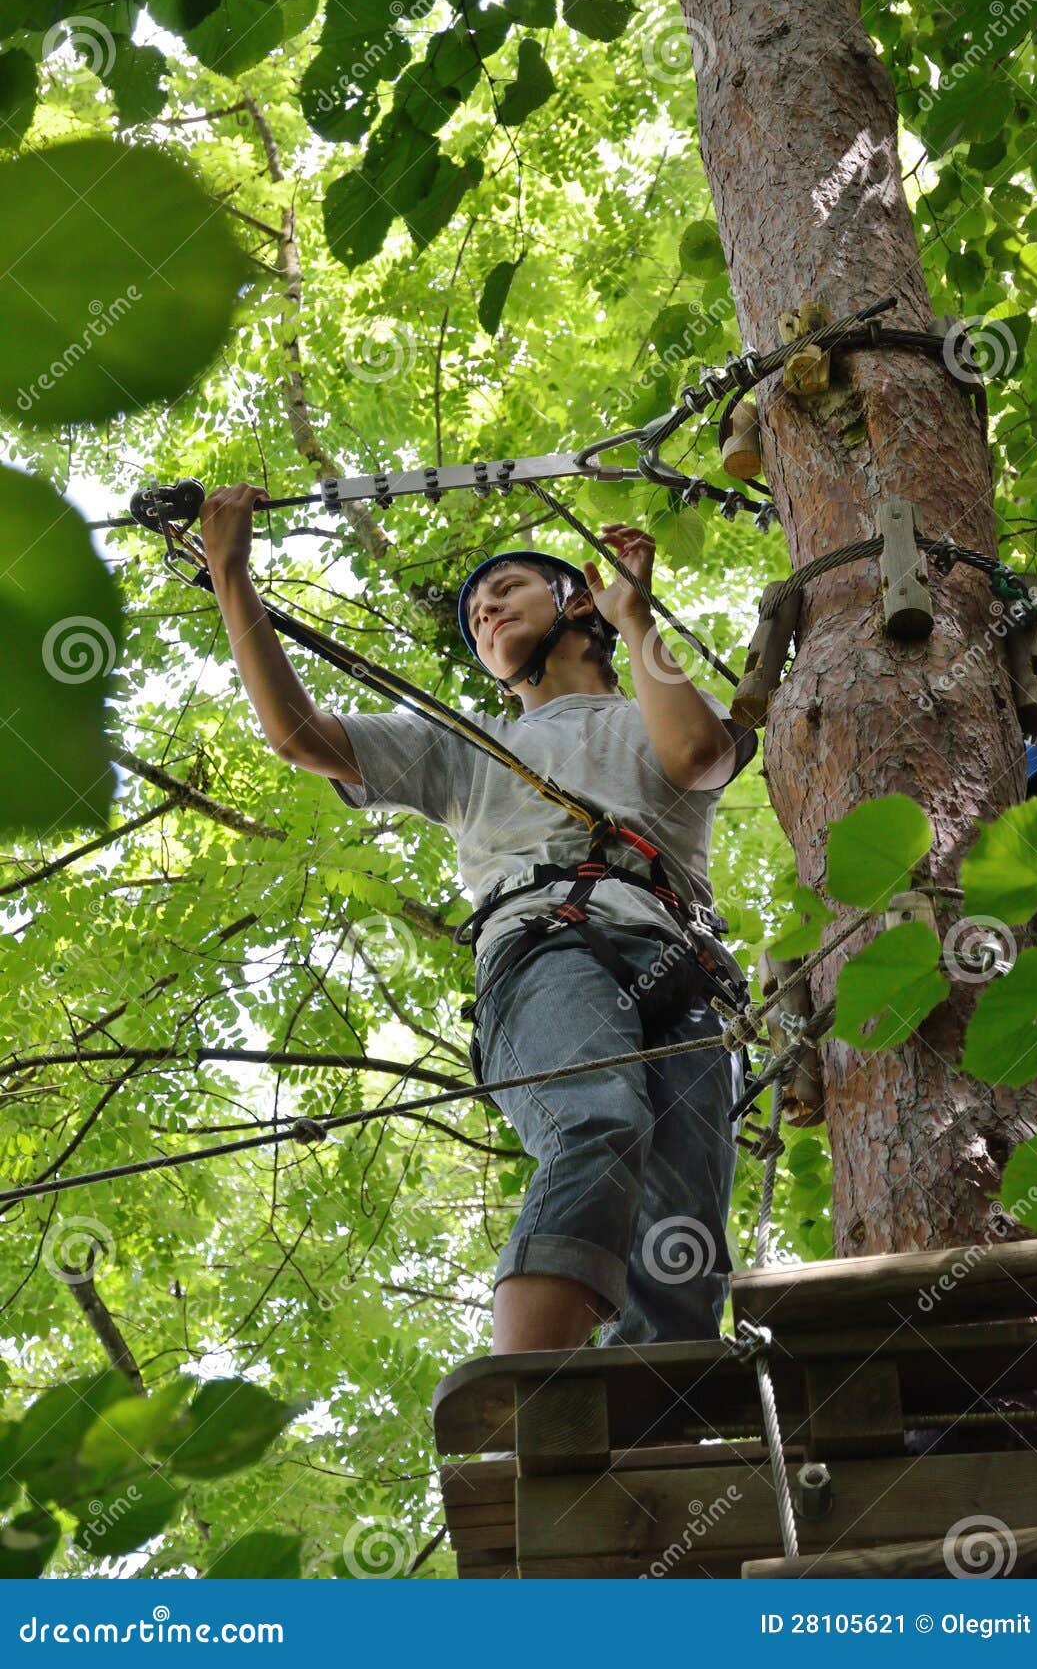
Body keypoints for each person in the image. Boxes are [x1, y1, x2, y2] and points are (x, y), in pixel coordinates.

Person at [198, 483, 758, 1355]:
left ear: (574, 600)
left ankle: (649, 1447)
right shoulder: (467, 745)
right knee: (597, 1124)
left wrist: (635, 614)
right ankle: (529, 1411)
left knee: (685, 1239)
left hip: (684, 969)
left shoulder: (653, 708)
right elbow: (302, 737)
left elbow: (696, 756)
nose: (486, 611)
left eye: (506, 591)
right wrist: (231, 577)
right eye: (475, 615)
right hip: (548, 951)